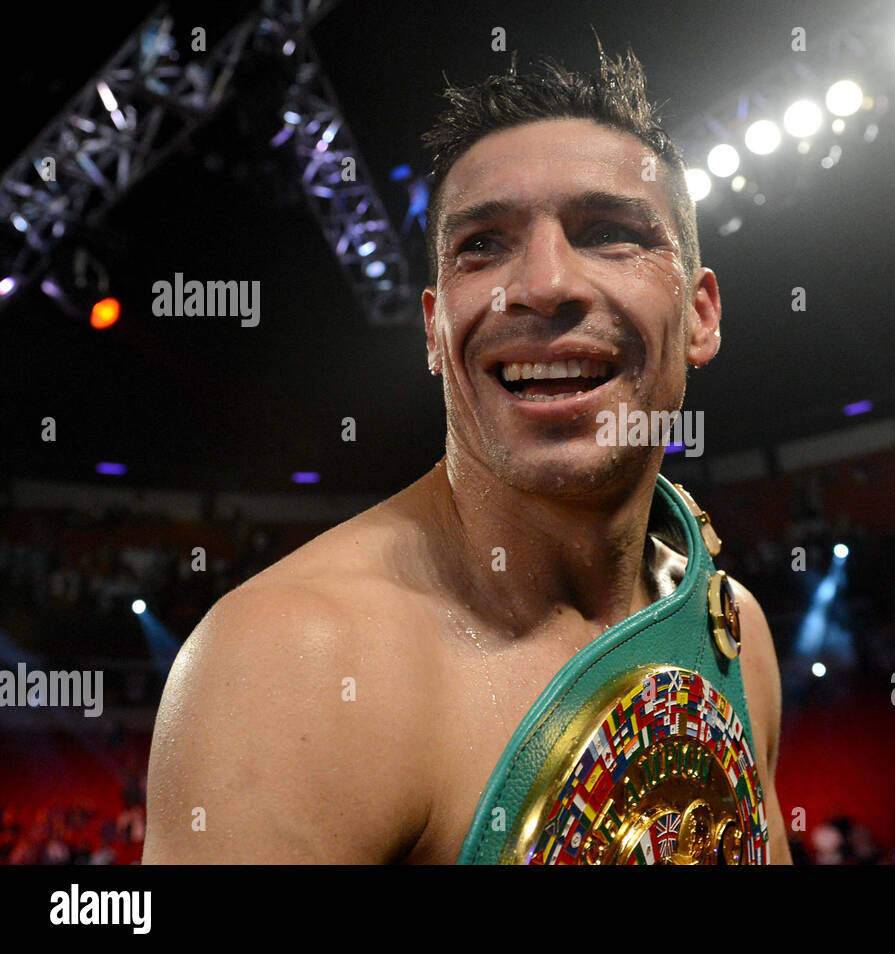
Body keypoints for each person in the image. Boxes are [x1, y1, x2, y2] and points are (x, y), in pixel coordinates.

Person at [143, 44, 791, 865]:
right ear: (433, 328)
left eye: (610, 233)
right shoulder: (289, 667)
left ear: (700, 315)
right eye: (482, 246)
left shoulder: (736, 630)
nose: (545, 283)